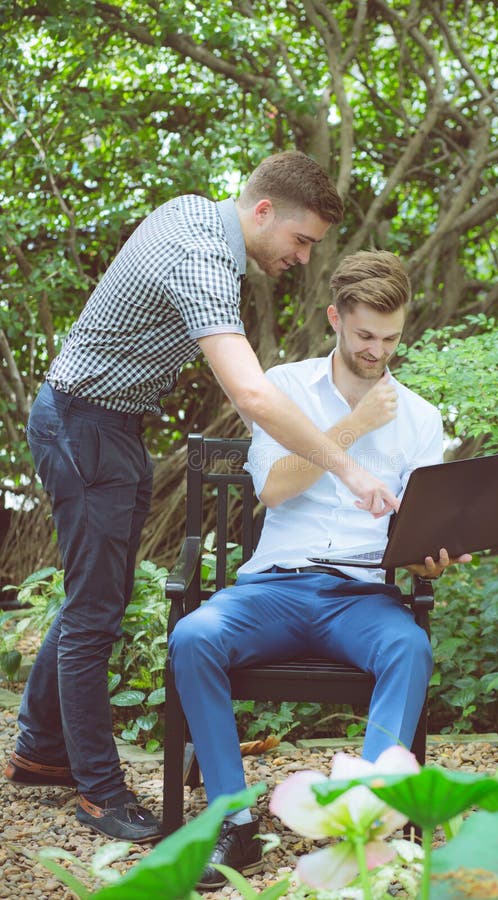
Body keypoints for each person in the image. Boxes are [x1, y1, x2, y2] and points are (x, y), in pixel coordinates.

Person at [4, 152, 401, 843]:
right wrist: (348, 468)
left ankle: (40, 750)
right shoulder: (204, 257)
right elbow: (251, 394)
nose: (303, 257)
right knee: (95, 612)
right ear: (263, 211)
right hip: (83, 425)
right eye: (300, 240)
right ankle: (99, 792)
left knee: (96, 595)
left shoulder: (193, 212)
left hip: (111, 424)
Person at [169, 249, 472, 890]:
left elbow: (417, 527)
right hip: (274, 588)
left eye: (390, 338)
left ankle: (363, 826)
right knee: (193, 636)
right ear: (335, 318)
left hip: (362, 597)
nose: (377, 351)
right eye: (365, 335)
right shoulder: (284, 386)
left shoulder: (420, 417)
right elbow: (274, 489)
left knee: (410, 648)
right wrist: (353, 426)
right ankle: (234, 821)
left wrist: (433, 556)